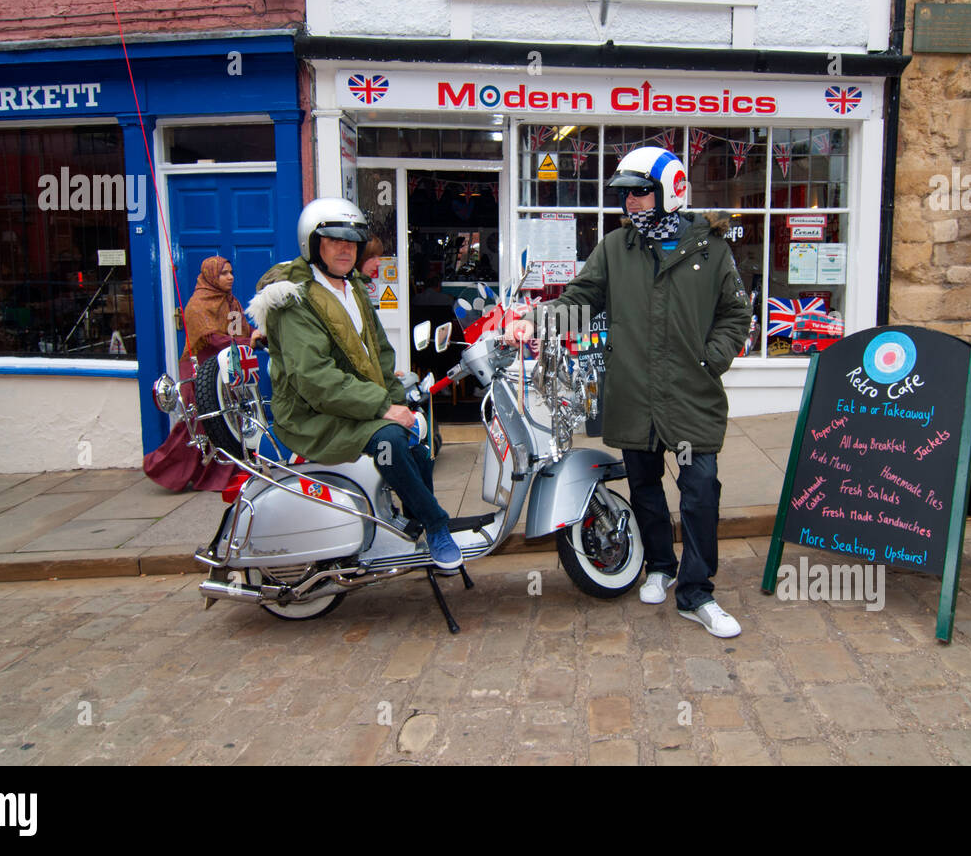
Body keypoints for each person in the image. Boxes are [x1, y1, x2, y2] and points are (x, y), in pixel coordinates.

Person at [507, 146, 753, 637]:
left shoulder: (711, 249)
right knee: (644, 488)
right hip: (634, 394)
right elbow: (581, 298)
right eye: (626, 195)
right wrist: (536, 319)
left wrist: (712, 358)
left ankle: (697, 592)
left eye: (640, 193)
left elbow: (736, 314)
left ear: (670, 192)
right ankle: (659, 565)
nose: (631, 204)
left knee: (700, 491)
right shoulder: (615, 248)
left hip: (689, 395)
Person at [246, 197, 462, 570]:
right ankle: (436, 524)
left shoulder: (352, 288)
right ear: (314, 245)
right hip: (312, 414)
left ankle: (412, 521)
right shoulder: (295, 300)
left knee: (418, 444)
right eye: (334, 240)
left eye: (352, 241)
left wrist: (400, 404)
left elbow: (379, 354)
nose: (345, 248)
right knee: (390, 443)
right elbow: (315, 379)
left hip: (351, 404)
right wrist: (383, 409)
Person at [143, 256, 263, 491]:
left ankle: (223, 475)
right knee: (201, 421)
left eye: (231, 272)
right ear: (210, 276)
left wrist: (255, 336)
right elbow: (214, 339)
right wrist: (250, 341)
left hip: (225, 366)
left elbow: (236, 333)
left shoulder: (231, 303)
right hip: (200, 368)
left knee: (229, 418)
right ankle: (163, 469)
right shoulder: (197, 305)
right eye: (223, 274)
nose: (230, 278)